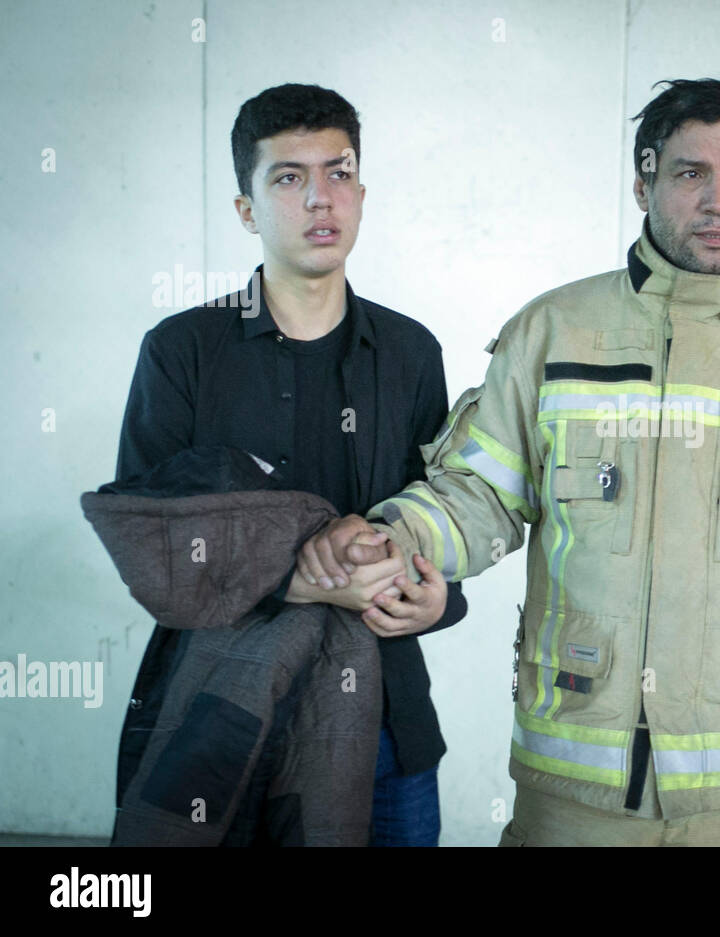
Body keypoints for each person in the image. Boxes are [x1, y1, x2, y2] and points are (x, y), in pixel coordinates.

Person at [296, 79, 720, 846]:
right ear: (643, 182)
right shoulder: (555, 333)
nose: (719, 200)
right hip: (573, 785)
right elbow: (478, 495)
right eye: (689, 173)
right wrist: (397, 538)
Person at [116, 83, 467, 846]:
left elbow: (448, 511)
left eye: (338, 174)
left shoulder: (411, 353)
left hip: (386, 723)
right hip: (223, 714)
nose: (320, 199)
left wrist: (438, 600)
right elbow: (149, 544)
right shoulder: (183, 351)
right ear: (246, 208)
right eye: (288, 177)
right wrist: (294, 578)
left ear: (363, 195)